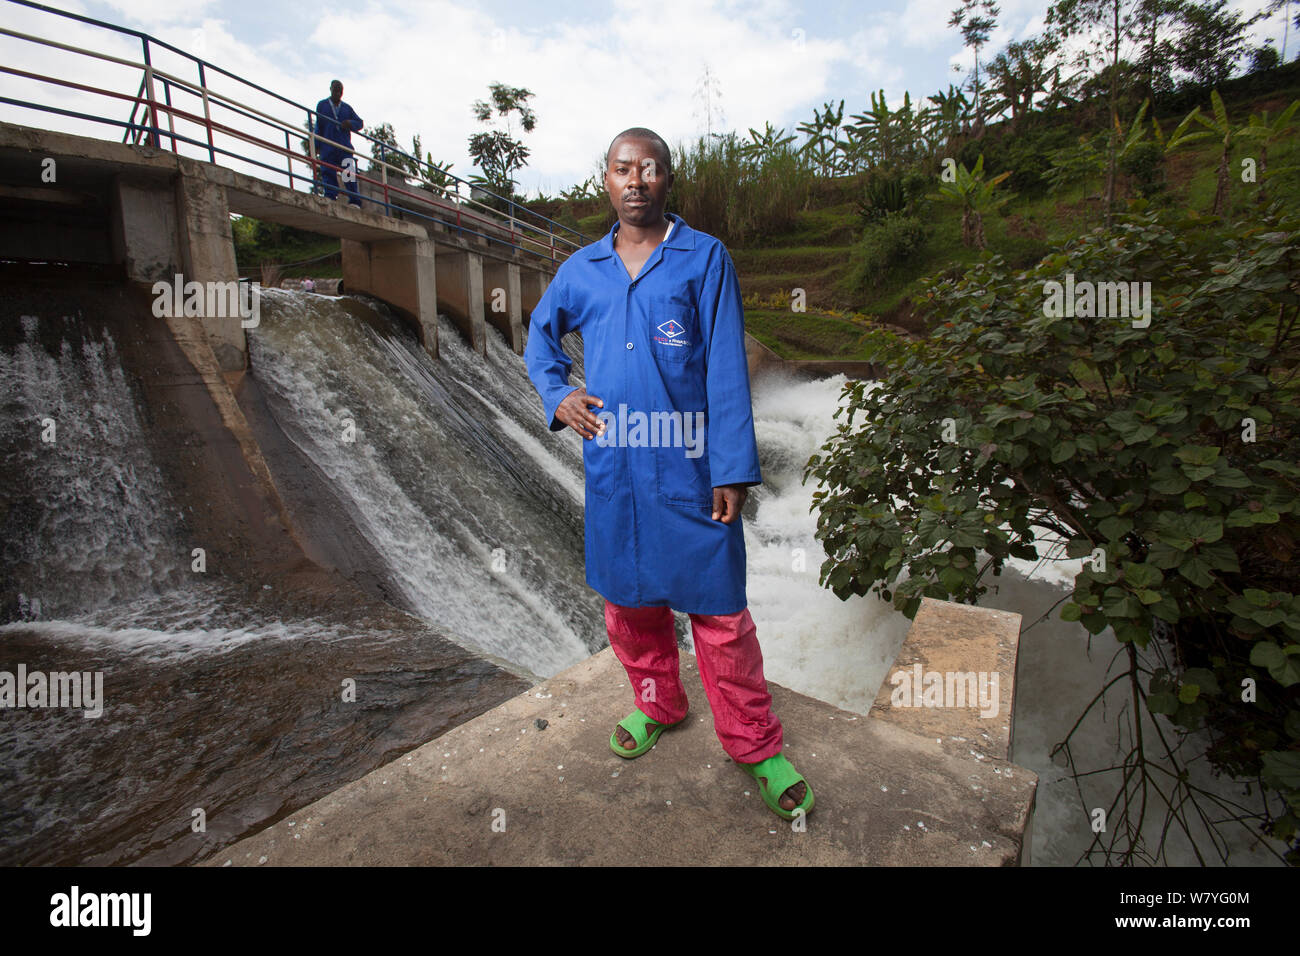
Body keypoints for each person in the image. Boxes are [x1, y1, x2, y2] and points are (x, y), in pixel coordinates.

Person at [523, 127, 812, 820]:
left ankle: (755, 745)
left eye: (648, 170)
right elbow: (540, 335)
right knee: (630, 608)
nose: (635, 181)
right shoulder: (582, 269)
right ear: (607, 180)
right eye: (622, 169)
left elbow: (724, 373)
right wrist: (557, 392)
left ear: (665, 180)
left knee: (720, 615)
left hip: (688, 467)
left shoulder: (703, 258)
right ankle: (660, 704)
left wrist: (732, 469)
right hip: (615, 469)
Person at [313, 80, 363, 207]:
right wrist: (316, 144)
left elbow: (360, 123)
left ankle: (354, 201)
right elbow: (319, 125)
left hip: (344, 146)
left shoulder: (346, 108)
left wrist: (350, 124)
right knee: (328, 171)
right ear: (330, 89)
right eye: (336, 90)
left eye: (340, 91)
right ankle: (330, 196)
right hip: (328, 145)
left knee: (348, 173)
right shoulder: (322, 105)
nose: (338, 93)